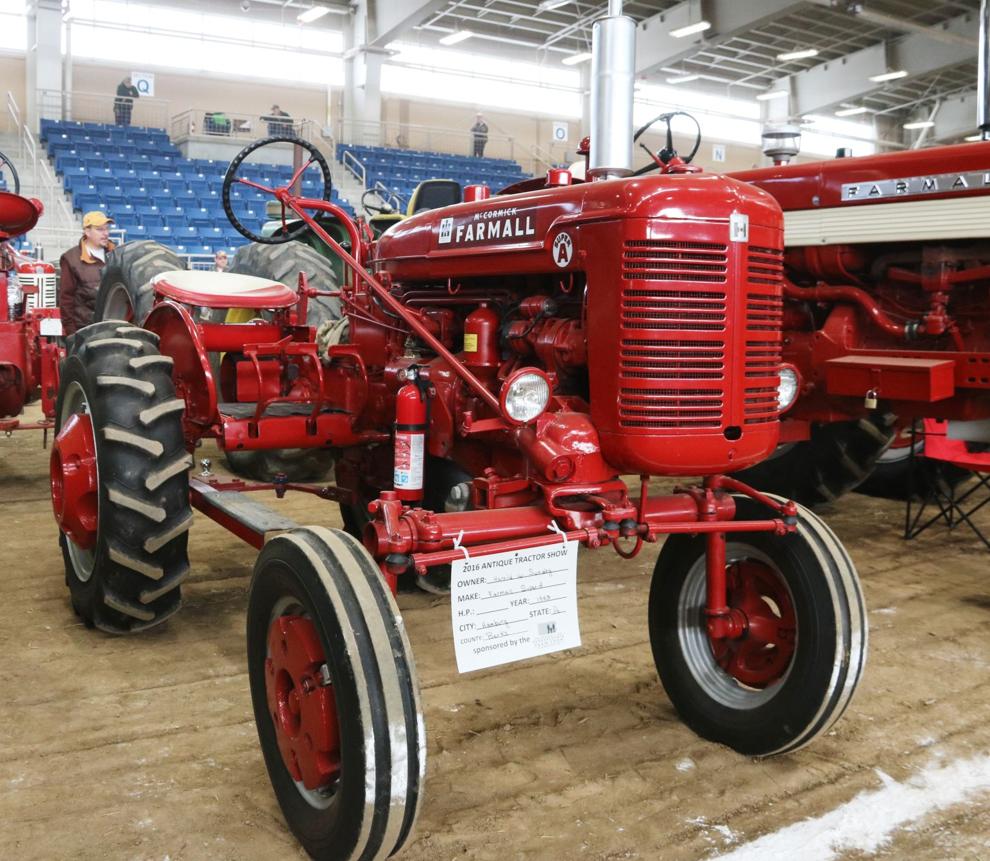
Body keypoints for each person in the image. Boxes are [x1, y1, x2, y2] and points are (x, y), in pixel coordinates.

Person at [59, 211, 115, 336]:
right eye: (100, 229)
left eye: (107, 229)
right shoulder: (71, 259)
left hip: (114, 328)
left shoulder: (117, 254)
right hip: (86, 331)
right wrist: (72, 335)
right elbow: (66, 300)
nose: (106, 233)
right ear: (87, 232)